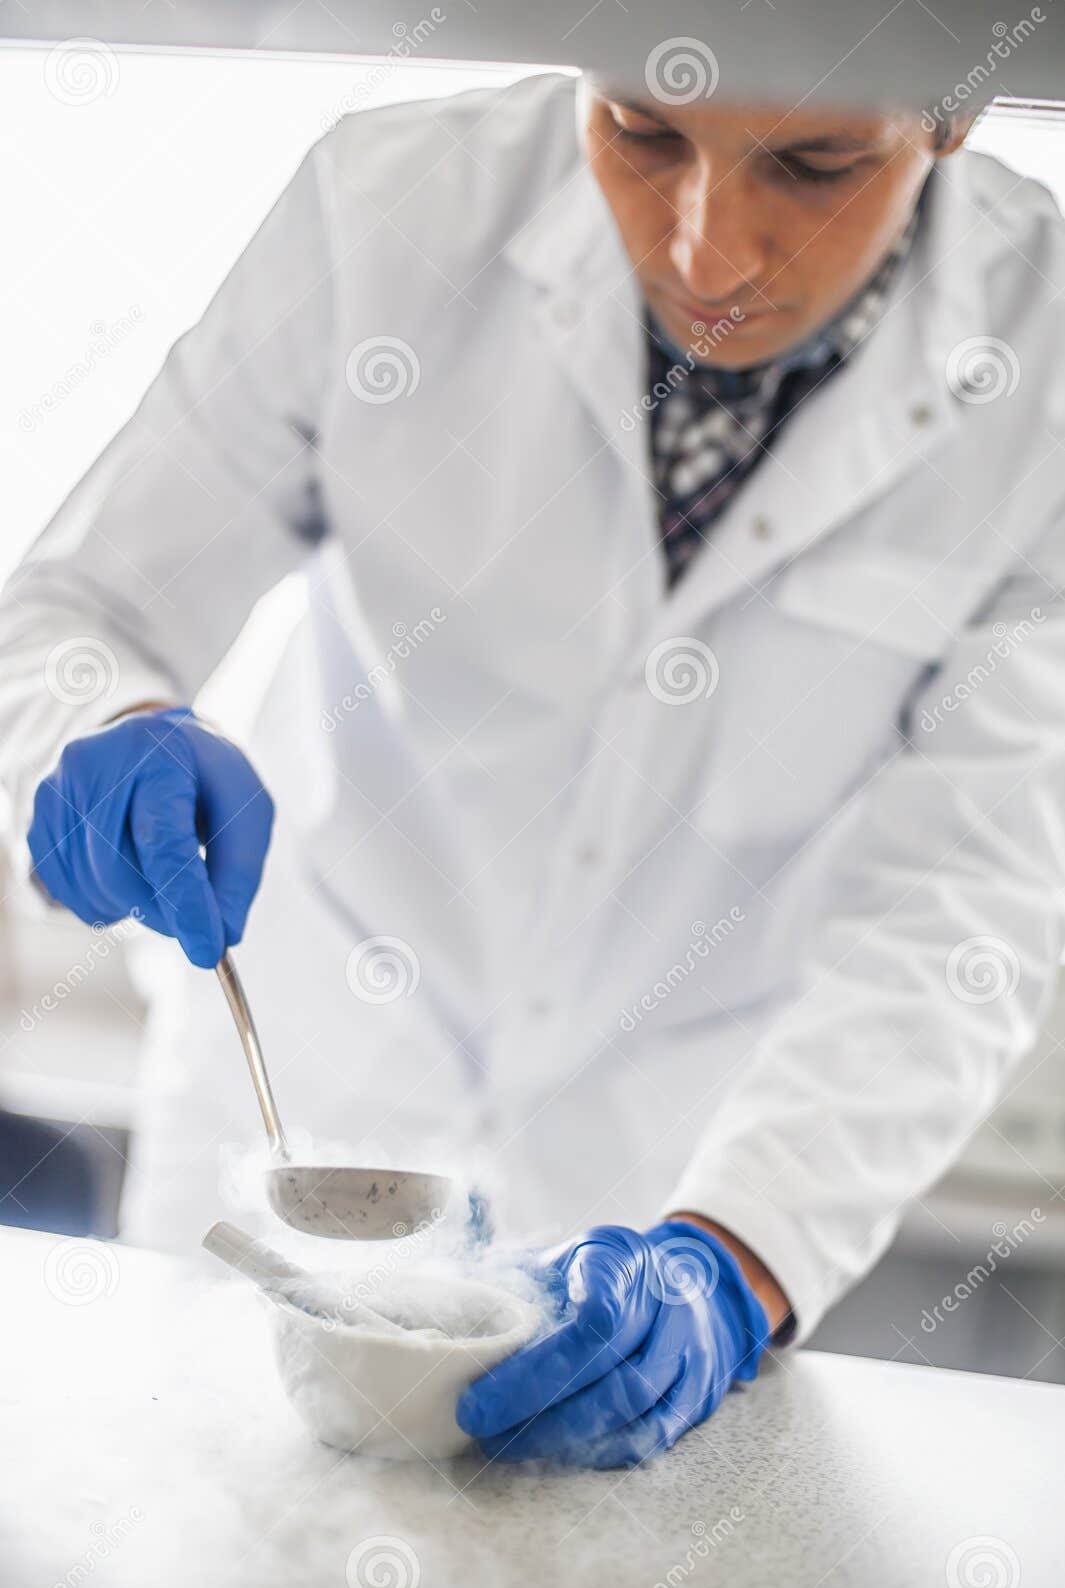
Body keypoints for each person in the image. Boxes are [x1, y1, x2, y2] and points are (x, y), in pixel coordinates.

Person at [3, 71, 1065, 1467]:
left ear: (953, 115)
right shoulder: (387, 206)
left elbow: (971, 892)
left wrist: (736, 1254)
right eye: (643, 133)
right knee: (205, 1532)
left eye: (812, 168)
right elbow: (83, 610)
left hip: (666, 1182)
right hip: (307, 1088)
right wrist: (103, 724)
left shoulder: (1043, 350)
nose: (706, 254)